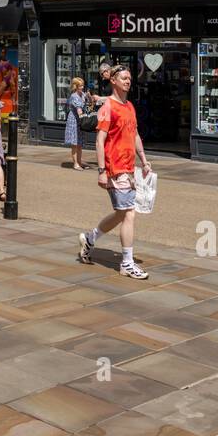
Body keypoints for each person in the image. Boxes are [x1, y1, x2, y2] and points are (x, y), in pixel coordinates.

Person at [78, 64, 152, 280]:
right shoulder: (108, 106)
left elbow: (135, 135)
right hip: (115, 168)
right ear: (114, 81)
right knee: (129, 213)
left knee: (121, 213)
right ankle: (127, 263)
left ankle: (90, 238)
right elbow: (100, 141)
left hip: (129, 168)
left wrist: (144, 161)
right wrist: (102, 171)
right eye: (124, 78)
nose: (128, 81)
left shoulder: (129, 106)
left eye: (129, 78)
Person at [64, 76, 88, 171]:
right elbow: (78, 109)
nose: (82, 87)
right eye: (80, 86)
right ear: (76, 86)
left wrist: (89, 97)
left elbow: (88, 101)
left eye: (83, 85)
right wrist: (83, 117)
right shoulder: (74, 96)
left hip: (79, 120)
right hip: (74, 120)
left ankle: (79, 162)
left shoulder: (82, 94)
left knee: (80, 143)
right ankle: (75, 163)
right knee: (75, 143)